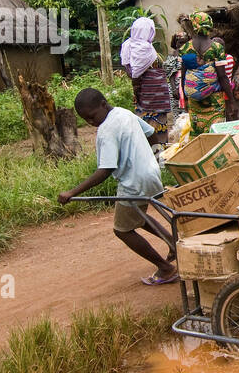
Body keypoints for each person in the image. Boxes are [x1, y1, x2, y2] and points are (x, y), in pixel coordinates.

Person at [58, 88, 178, 286]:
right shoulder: (124, 112)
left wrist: (72, 192)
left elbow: (105, 169)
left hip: (133, 183)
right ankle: (172, 241)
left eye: (92, 116)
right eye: (86, 120)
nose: (91, 122)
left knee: (122, 230)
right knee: (136, 215)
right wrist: (157, 159)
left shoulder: (106, 131)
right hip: (150, 175)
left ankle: (166, 269)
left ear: (103, 104)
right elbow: (151, 133)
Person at [177, 12, 239, 135]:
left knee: (197, 133)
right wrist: (232, 101)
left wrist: (185, 99)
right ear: (210, 25)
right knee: (216, 134)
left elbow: (184, 75)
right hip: (214, 100)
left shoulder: (185, 48)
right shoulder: (216, 48)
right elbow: (222, 77)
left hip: (194, 100)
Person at [119, 16, 173, 146]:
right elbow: (136, 73)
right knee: (154, 125)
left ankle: (153, 152)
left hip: (148, 95)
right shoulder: (142, 48)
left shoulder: (129, 45)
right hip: (152, 96)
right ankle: (157, 154)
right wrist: (137, 89)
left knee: (145, 123)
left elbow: (130, 71)